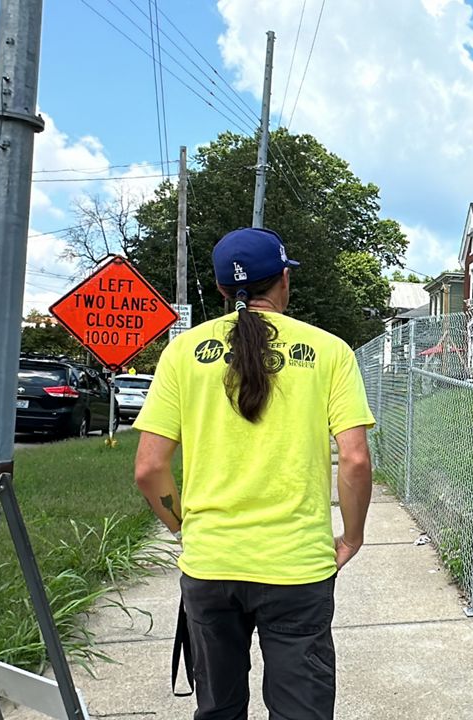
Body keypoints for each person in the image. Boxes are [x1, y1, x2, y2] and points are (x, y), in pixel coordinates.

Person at [133, 226, 375, 719]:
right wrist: (351, 537)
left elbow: (150, 468)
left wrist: (185, 529)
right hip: (296, 567)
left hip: (211, 564)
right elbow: (354, 459)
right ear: (284, 279)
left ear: (222, 289)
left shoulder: (182, 353)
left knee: (219, 709)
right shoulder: (330, 351)